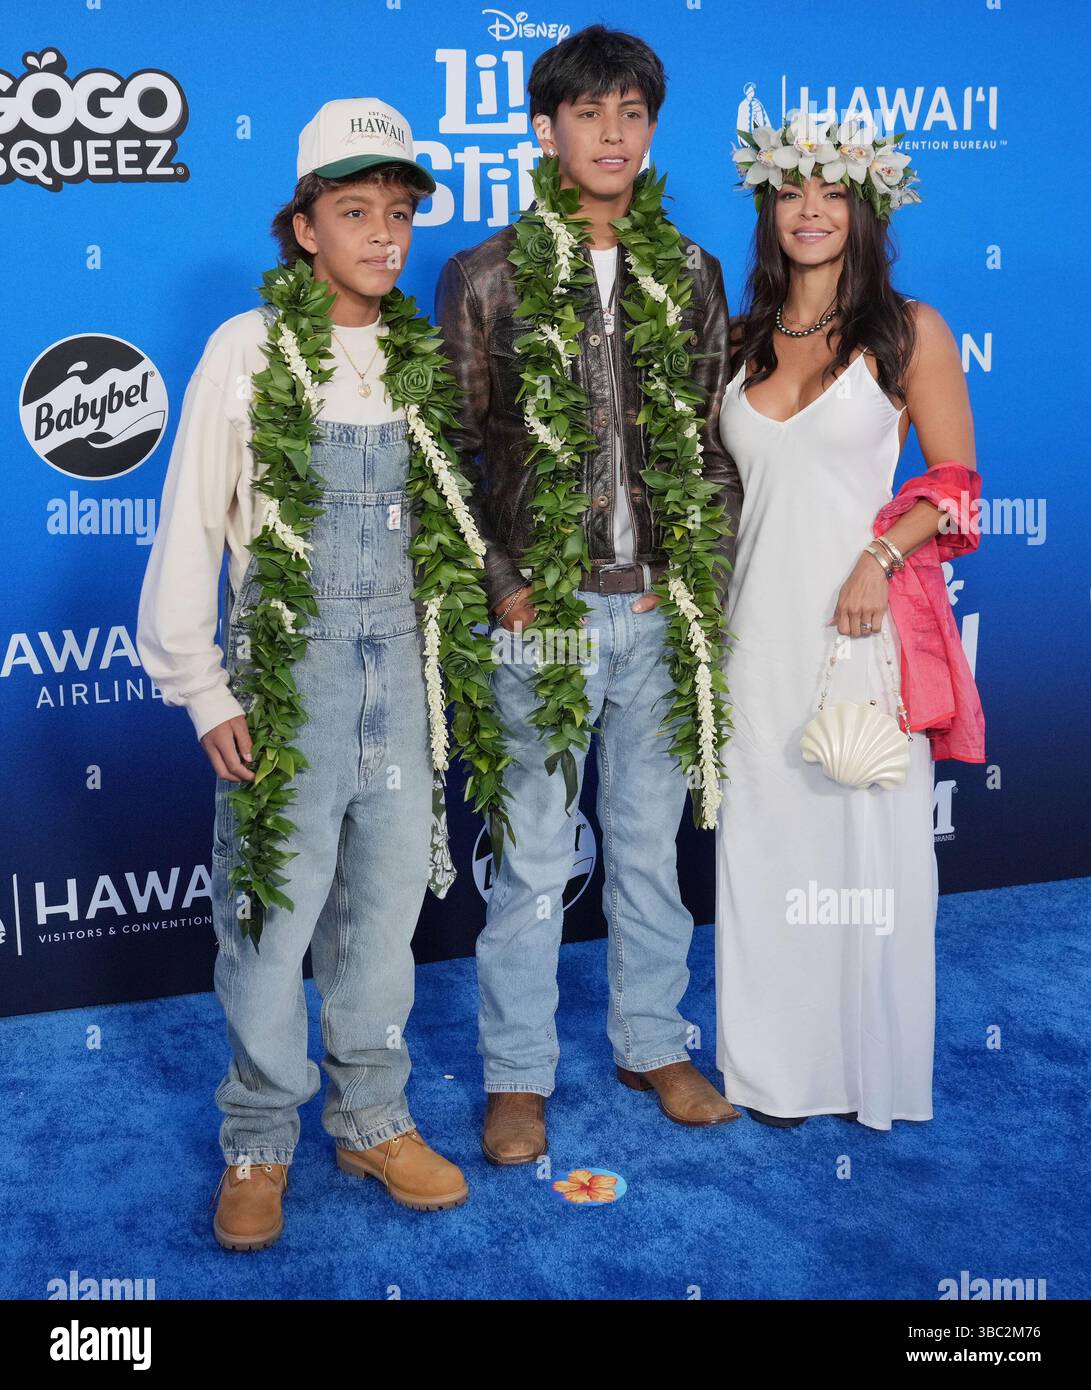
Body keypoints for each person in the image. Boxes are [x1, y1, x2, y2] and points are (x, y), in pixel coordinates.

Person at [137, 98, 469, 1249]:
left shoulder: (417, 355)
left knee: (380, 914)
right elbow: (190, 525)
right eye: (353, 212)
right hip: (288, 678)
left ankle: (371, 1114)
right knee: (271, 920)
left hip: (400, 675)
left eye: (398, 214)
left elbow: (448, 540)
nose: (383, 236)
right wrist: (204, 687)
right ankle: (257, 1137)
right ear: (302, 229)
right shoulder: (246, 348)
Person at [435, 24, 743, 1165]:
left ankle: (652, 1041)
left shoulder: (691, 273)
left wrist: (691, 582)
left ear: (650, 132)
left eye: (631, 115)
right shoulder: (482, 274)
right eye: (587, 114)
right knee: (528, 856)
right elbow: (455, 453)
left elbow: (712, 449)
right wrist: (509, 587)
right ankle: (518, 1076)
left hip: (656, 611)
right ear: (546, 128)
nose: (610, 135)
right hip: (540, 621)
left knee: (649, 846)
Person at [714, 114, 985, 1130]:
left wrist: (880, 554)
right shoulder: (739, 342)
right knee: (765, 846)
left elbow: (953, 491)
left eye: (831, 194)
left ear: (864, 209)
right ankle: (773, 1072)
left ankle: (862, 1070)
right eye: (791, 193)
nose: (811, 211)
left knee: (863, 854)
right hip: (754, 634)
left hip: (857, 635)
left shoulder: (909, 330)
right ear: (768, 208)